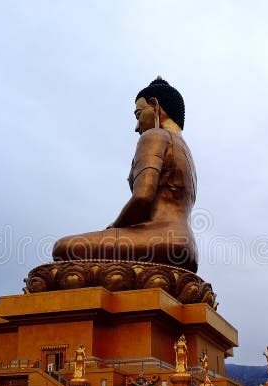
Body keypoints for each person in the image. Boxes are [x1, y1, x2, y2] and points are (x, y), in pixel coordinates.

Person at [52, 77, 198, 272]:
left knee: (63, 248)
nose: (137, 127)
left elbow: (142, 198)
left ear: (154, 105)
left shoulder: (154, 136)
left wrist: (114, 227)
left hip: (160, 239)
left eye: (138, 115)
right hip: (188, 248)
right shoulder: (186, 151)